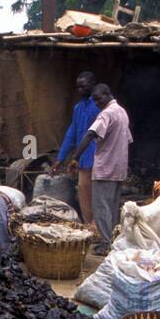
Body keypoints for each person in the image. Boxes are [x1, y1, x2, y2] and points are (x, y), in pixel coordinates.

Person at [69, 83, 132, 251]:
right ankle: (112, 239)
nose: (97, 103)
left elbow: (90, 134)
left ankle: (105, 243)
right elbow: (127, 140)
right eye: (95, 100)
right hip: (119, 168)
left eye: (99, 99)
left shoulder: (107, 114)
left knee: (101, 207)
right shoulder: (122, 113)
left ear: (107, 94)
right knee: (112, 206)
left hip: (105, 168)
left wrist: (75, 157)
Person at [55, 71, 99, 227]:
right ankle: (91, 228)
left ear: (93, 85)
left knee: (99, 196)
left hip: (99, 159)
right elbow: (71, 133)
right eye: (78, 87)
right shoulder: (78, 108)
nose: (80, 90)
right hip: (83, 160)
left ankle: (102, 230)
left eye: (83, 86)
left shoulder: (100, 106)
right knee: (84, 193)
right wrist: (60, 159)